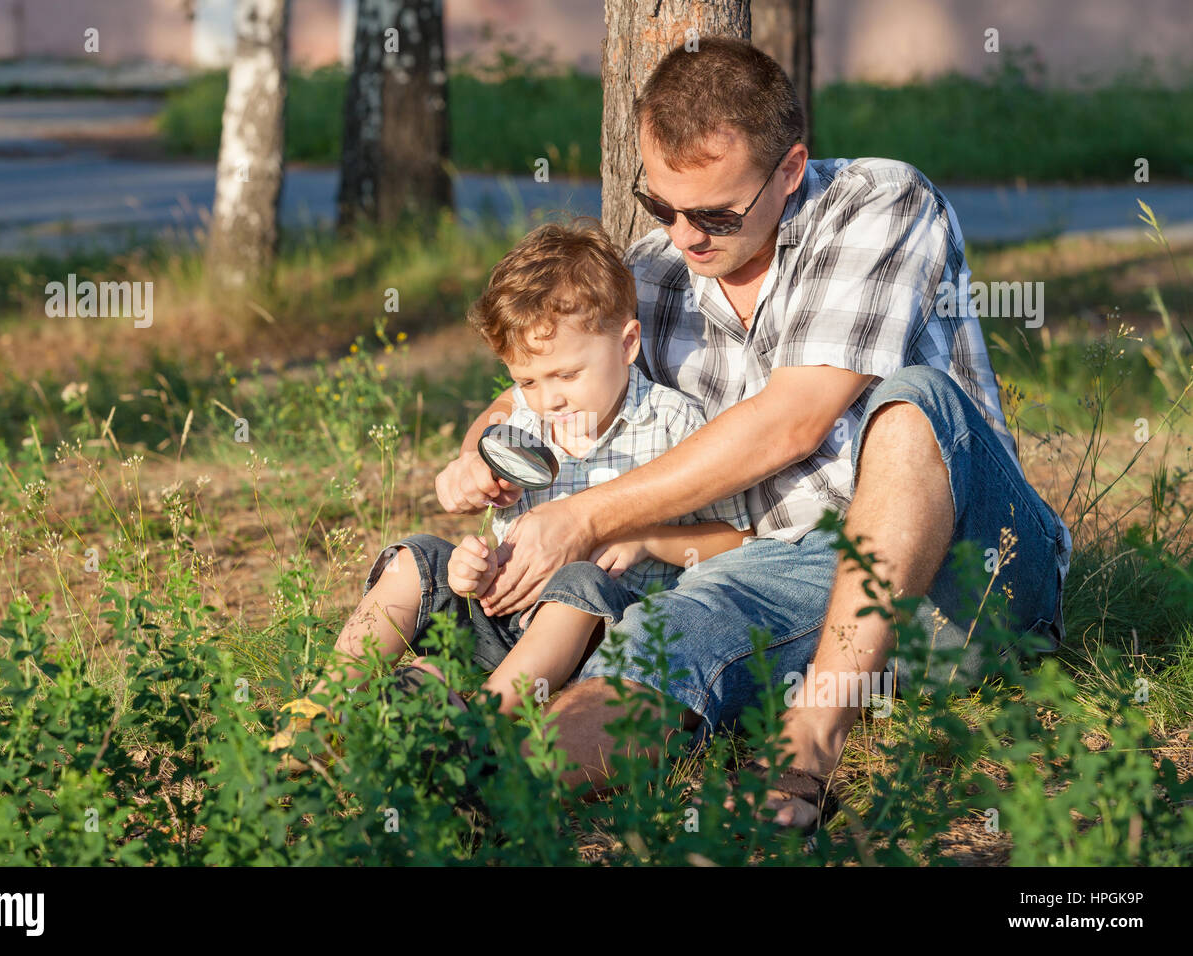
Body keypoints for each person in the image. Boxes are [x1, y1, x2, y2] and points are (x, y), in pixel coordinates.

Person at [435, 37, 1072, 832]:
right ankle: (475, 783)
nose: (686, 235)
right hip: (778, 572)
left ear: (790, 169)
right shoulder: (655, 274)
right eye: (664, 206)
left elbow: (795, 420)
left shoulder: (879, 203)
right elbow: (523, 394)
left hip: (968, 572)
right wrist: (475, 454)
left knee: (914, 403)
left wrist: (590, 515)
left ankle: (808, 749)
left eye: (715, 213)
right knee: (668, 633)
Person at [316, 218, 750, 718]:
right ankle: (327, 700)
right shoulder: (522, 424)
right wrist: (471, 558)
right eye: (528, 381)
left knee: (581, 579)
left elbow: (737, 541)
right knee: (417, 557)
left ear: (627, 344)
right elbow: (485, 519)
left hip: (592, 637)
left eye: (567, 374)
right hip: (500, 615)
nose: (551, 398)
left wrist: (648, 540)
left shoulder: (673, 423)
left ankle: (480, 721)